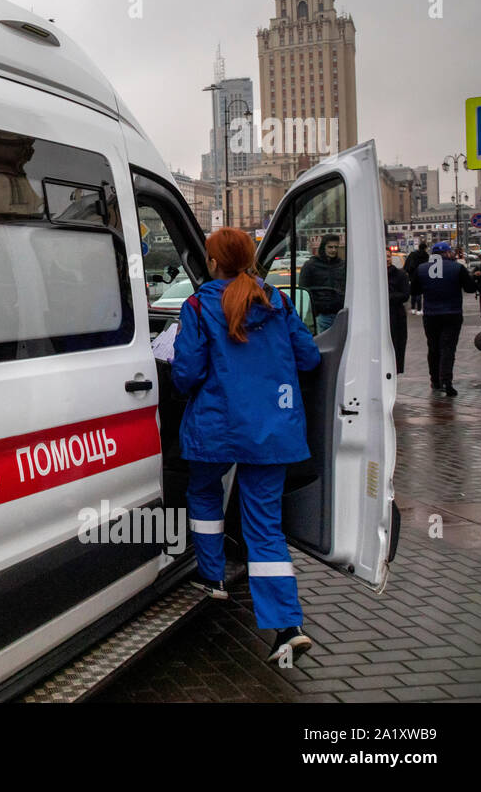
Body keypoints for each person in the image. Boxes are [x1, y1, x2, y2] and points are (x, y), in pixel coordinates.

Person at [171, 227, 322, 665]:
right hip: (272, 432)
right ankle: (287, 626)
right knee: (264, 526)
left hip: (216, 428)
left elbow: (186, 374)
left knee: (203, 493)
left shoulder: (199, 305)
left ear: (214, 263)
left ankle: (212, 578)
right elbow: (310, 358)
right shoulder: (277, 302)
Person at [410, 241, 477, 396]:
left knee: (433, 348)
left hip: (431, 314)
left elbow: (414, 290)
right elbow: (470, 288)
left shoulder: (422, 269)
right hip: (452, 313)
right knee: (448, 347)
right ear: (447, 253)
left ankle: (435, 380)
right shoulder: (457, 268)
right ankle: (447, 380)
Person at [299, 234, 345, 333]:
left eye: (336, 247)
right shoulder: (310, 266)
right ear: (323, 247)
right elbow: (303, 289)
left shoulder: (342, 265)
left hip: (341, 314)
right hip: (321, 314)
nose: (333, 250)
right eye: (330, 247)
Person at [387, 258, 409, 373]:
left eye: (389, 256)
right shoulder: (375, 274)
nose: (387, 259)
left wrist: (388, 297)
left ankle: (396, 369)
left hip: (396, 314)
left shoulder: (400, 275)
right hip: (382, 315)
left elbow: (405, 295)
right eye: (384, 256)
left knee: (397, 344)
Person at [404, 241, 429, 314]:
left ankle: (412, 309)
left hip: (413, 276)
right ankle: (419, 309)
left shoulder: (413, 254)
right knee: (419, 293)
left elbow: (408, 264)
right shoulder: (426, 255)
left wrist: (408, 273)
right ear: (425, 248)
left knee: (413, 292)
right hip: (421, 275)